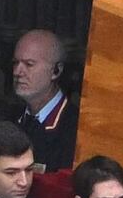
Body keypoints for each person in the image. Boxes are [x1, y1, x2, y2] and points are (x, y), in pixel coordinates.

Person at [9, 28, 76, 171]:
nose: (17, 72)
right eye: (15, 63)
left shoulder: (74, 128)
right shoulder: (9, 117)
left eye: (29, 64)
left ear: (56, 71)